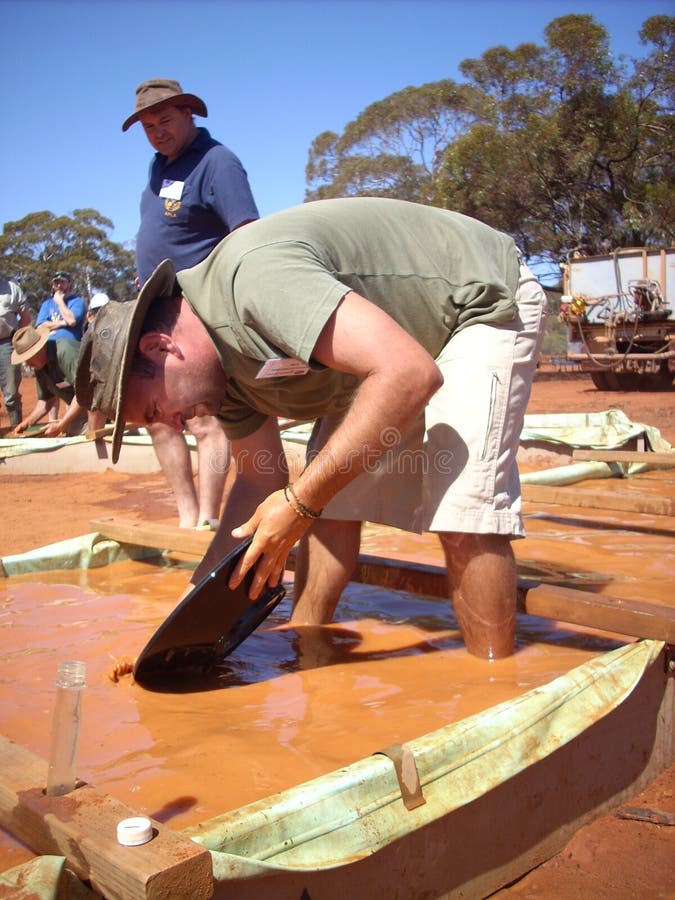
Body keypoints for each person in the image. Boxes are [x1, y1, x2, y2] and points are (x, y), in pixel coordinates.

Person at [76, 197, 548, 660]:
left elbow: (407, 374)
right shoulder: (220, 382)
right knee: (331, 499)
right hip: (393, 349)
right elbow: (260, 480)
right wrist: (198, 599)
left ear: (162, 347)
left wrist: (301, 502)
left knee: (462, 510)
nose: (175, 426)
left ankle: (494, 691)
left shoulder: (256, 281)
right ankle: (306, 646)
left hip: (477, 298)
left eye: (156, 410)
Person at [123, 77, 259, 529]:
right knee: (159, 417)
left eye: (164, 120)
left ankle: (208, 517)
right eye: (147, 125)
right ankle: (186, 518)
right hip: (158, 311)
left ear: (188, 113)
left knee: (203, 418)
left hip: (199, 316)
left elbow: (247, 237)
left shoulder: (217, 162)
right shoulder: (157, 167)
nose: (156, 131)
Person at [11, 324, 88, 436]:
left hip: (100, 405)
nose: (27, 363)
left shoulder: (65, 352)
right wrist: (28, 423)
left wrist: (62, 425)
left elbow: (84, 393)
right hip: (81, 409)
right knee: (72, 432)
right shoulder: (39, 366)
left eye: (28, 358)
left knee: (84, 436)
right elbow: (46, 401)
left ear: (39, 349)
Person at [0, 275, 31, 430]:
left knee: (11, 392)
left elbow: (25, 317)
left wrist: (17, 338)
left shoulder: (12, 289)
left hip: (6, 343)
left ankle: (16, 429)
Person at [36, 272, 86, 342]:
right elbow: (40, 327)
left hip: (68, 343)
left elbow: (71, 321)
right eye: (56, 283)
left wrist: (59, 302)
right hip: (48, 342)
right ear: (53, 286)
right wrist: (64, 323)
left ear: (69, 284)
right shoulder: (47, 304)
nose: (59, 285)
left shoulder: (77, 302)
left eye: (63, 282)